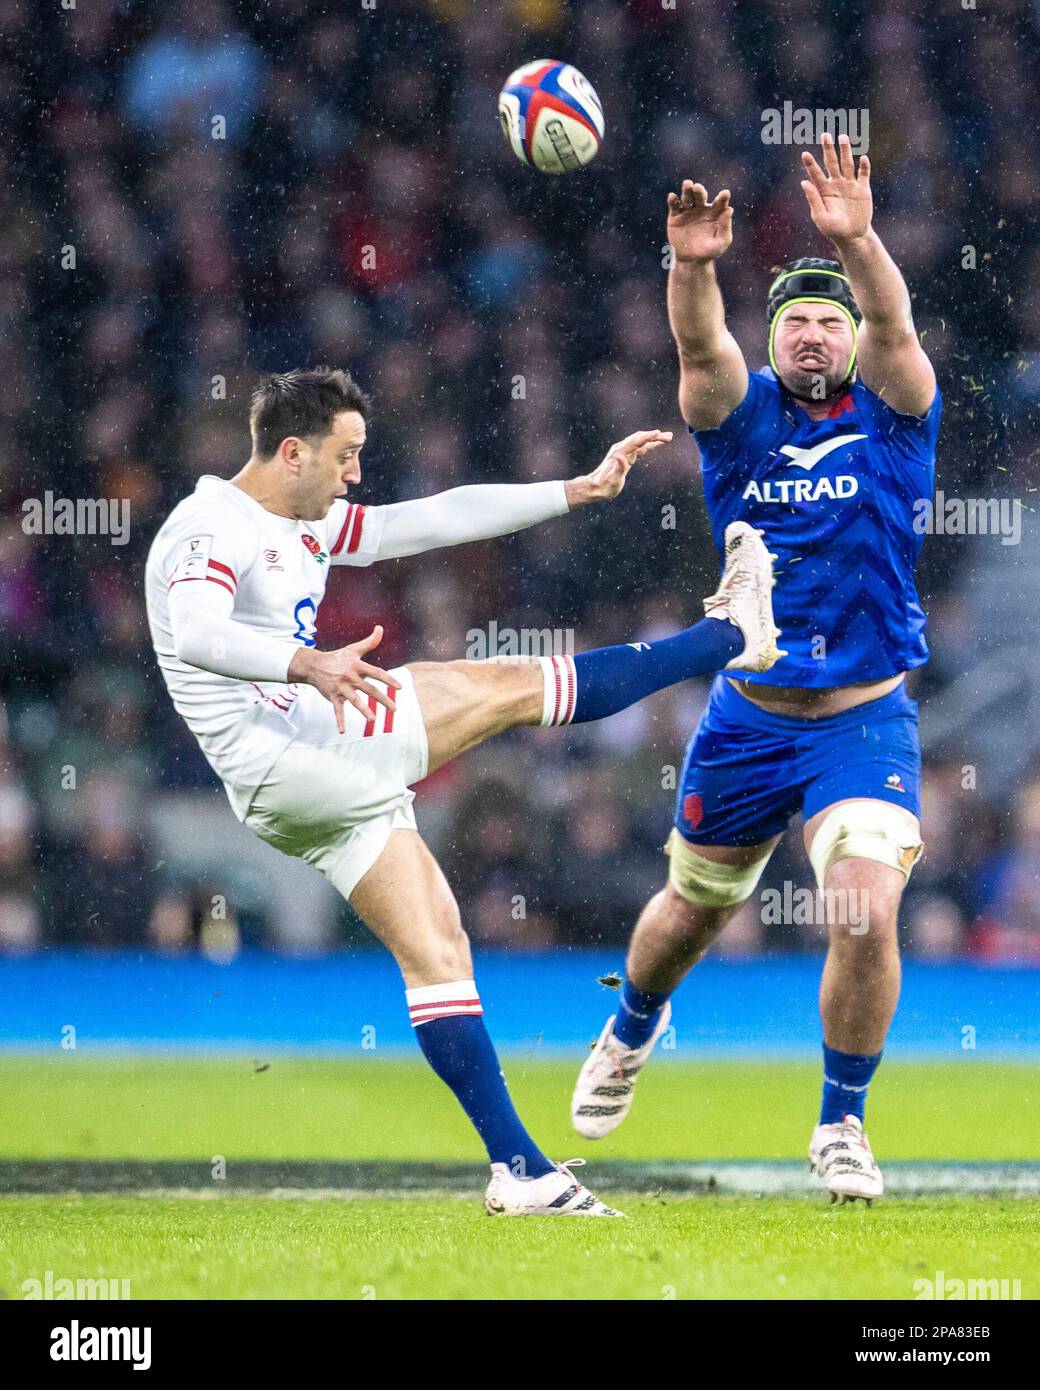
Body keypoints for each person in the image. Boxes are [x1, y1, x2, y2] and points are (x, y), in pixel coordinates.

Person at [145, 366, 782, 1217]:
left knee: (439, 952)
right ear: (291, 452)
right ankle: (731, 633)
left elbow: (433, 518)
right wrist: (306, 662)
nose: (356, 474)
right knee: (508, 686)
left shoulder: (302, 517)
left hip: (293, 774)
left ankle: (520, 1173)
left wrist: (575, 488)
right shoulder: (209, 527)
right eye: (346, 456)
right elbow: (193, 631)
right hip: (293, 752)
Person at [571, 134, 940, 1205]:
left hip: (859, 721)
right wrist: (691, 268)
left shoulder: (896, 416)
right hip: (746, 718)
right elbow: (698, 352)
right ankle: (631, 1029)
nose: (816, 333)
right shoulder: (740, 423)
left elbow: (896, 324)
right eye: (795, 321)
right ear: (772, 340)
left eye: (831, 318)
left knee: (863, 912)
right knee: (686, 913)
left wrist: (857, 240)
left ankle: (839, 1125)